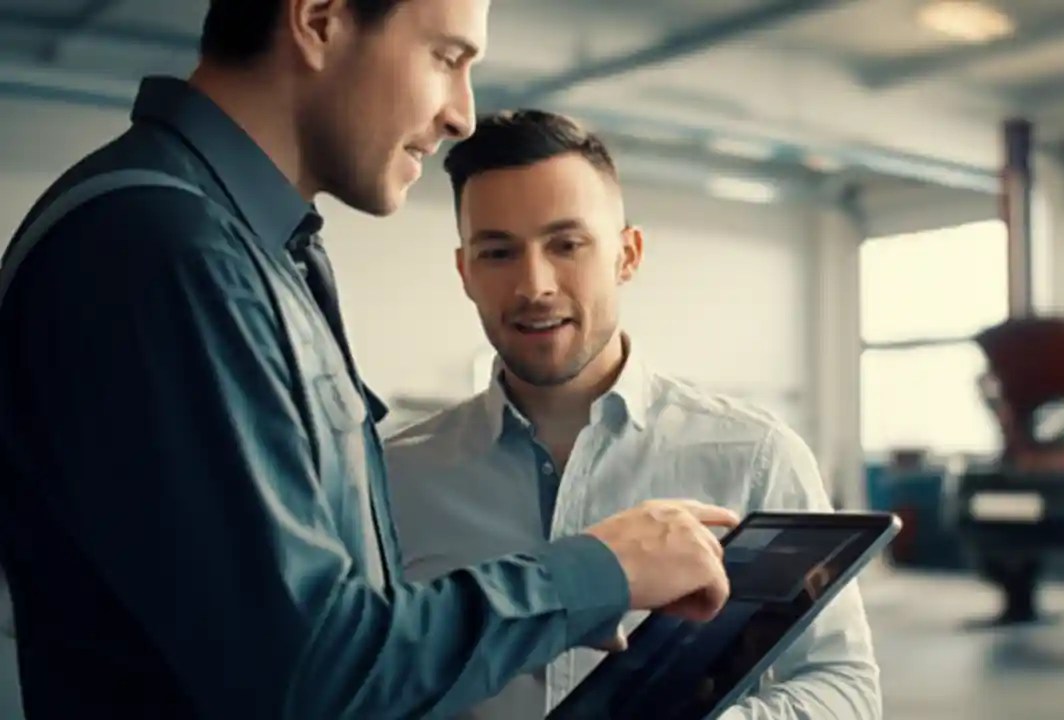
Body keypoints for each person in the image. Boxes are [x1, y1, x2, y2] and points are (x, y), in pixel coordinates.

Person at [0, 1, 740, 718]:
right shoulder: (162, 251)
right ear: (320, 20)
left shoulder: (250, 252)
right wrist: (597, 571)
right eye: (447, 57)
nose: (462, 114)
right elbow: (312, 676)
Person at [385, 109, 883, 719]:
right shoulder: (397, 476)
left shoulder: (753, 457)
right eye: (498, 253)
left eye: (566, 245)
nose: (534, 284)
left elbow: (842, 684)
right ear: (465, 272)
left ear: (627, 255)